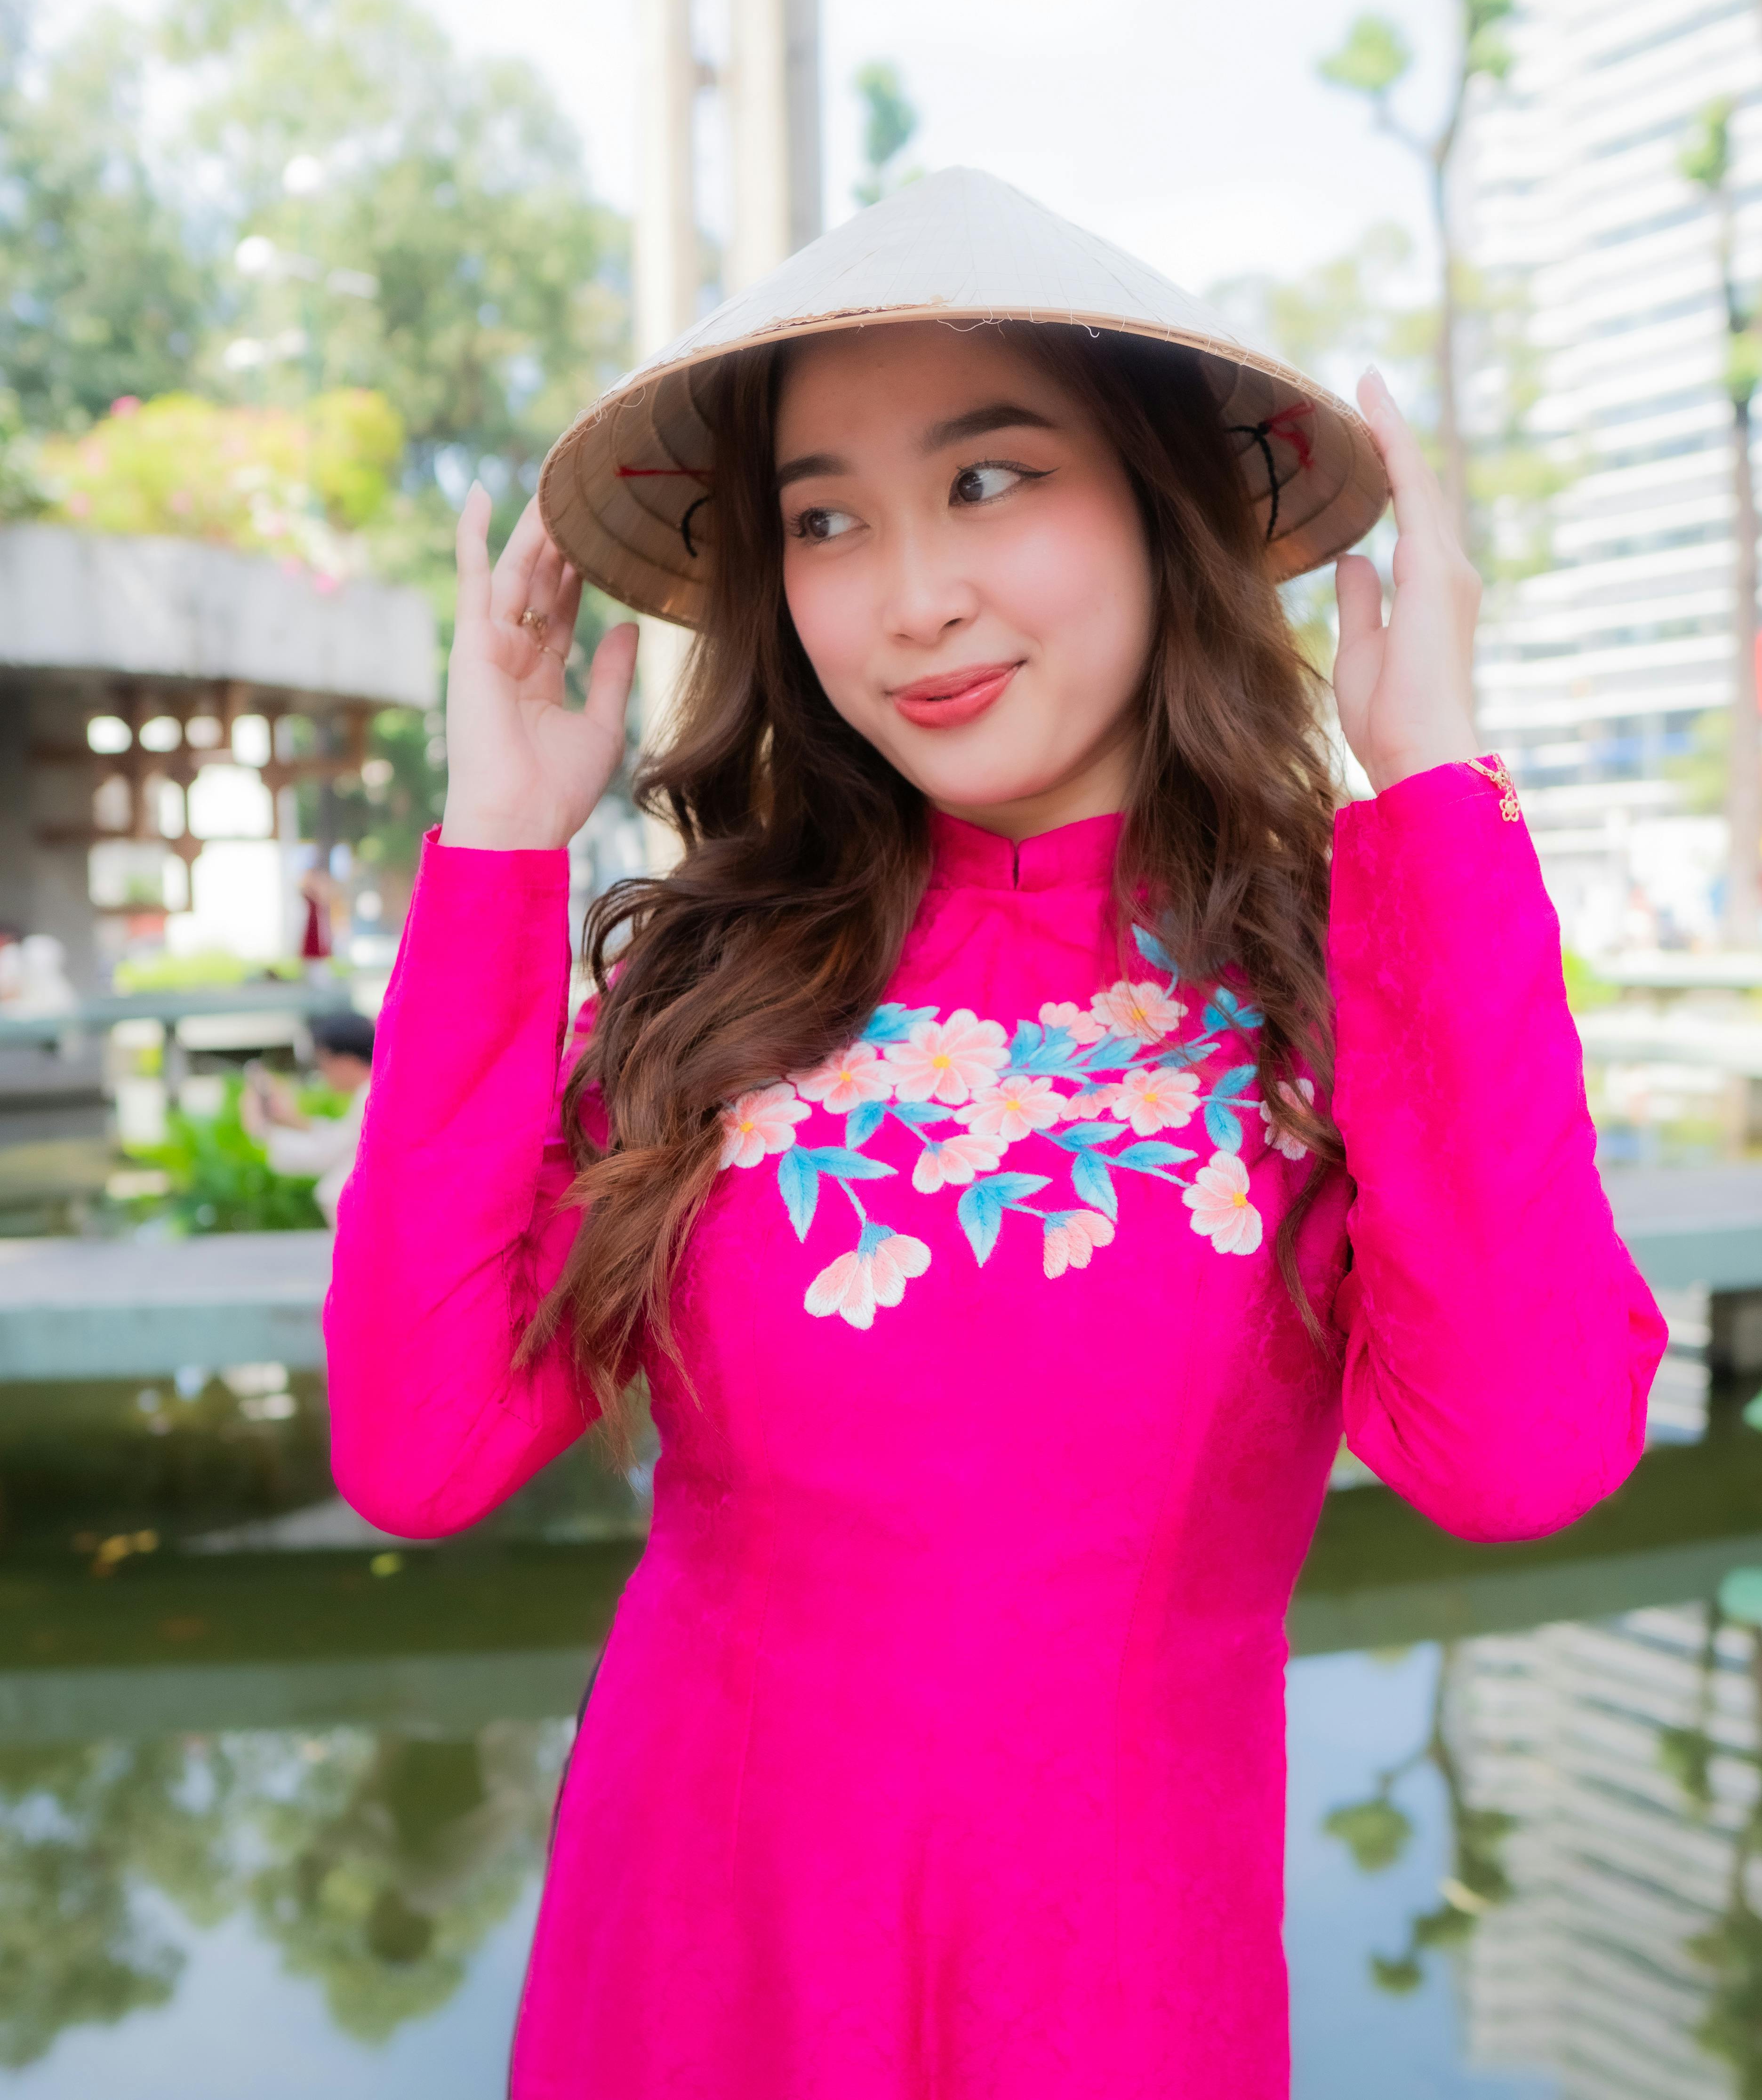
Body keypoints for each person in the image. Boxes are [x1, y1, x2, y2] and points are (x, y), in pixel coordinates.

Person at [325, 170, 1666, 2098]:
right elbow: (419, 1446)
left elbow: (1526, 1454)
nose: (909, 596)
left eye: (987, 478)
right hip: (692, 1987)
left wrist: (1432, 786)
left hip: (1114, 2006)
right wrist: (491, 855)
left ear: (1157, 498)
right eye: (824, 519)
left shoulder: (1335, 979)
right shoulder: (726, 981)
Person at [242, 1008, 374, 1227]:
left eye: (323, 1063)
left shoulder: (368, 1097)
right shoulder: (371, 1094)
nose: (322, 1073)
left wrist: (263, 1127)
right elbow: (342, 1140)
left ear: (345, 1061)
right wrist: (288, 1121)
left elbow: (327, 1153)